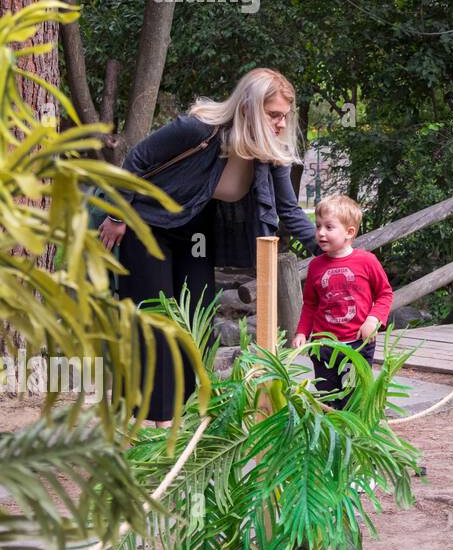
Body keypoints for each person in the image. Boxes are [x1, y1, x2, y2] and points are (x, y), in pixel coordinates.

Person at [97, 68, 321, 422]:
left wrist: (333, 254)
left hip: (195, 231)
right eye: (273, 115)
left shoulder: (269, 152)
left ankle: (189, 414)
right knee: (156, 317)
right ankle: (153, 421)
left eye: (284, 116)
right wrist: (116, 217)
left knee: (197, 319)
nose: (281, 124)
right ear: (248, 108)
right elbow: (137, 160)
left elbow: (289, 211)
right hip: (149, 222)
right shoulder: (198, 129)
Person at [292, 193, 393, 409]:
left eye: (329, 227)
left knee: (355, 396)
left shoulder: (366, 261)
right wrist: (302, 332)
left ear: (349, 232)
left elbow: (385, 293)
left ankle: (357, 436)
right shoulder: (315, 266)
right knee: (329, 399)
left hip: (357, 344)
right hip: (324, 345)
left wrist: (373, 320)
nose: (320, 233)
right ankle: (333, 438)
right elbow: (310, 303)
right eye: (318, 226)